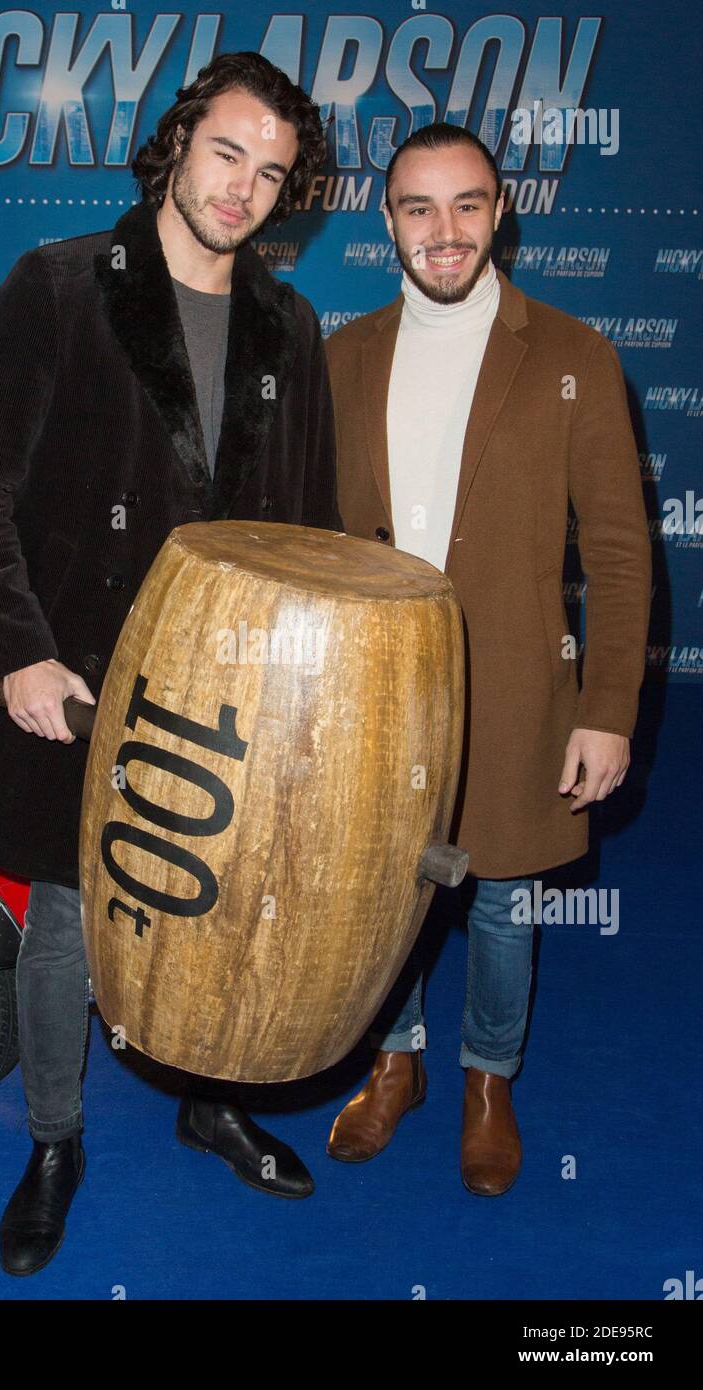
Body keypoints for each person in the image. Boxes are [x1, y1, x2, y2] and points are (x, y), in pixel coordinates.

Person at [0, 51, 342, 1275]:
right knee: (66, 917)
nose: (243, 189)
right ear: (174, 144)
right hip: (80, 676)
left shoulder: (287, 323)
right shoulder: (60, 288)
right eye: (226, 154)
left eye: (270, 173)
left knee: (216, 914)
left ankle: (209, 1101)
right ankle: (54, 1141)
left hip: (232, 685)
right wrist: (22, 654)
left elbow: (303, 522)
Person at [323, 122, 651, 1195]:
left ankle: (486, 1079)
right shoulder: (341, 356)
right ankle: (397, 1059)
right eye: (418, 207)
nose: (443, 229)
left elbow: (613, 547)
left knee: (506, 898)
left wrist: (606, 708)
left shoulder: (570, 354)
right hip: (378, 689)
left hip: (515, 682)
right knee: (385, 889)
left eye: (466, 204)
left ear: (499, 211)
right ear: (387, 222)